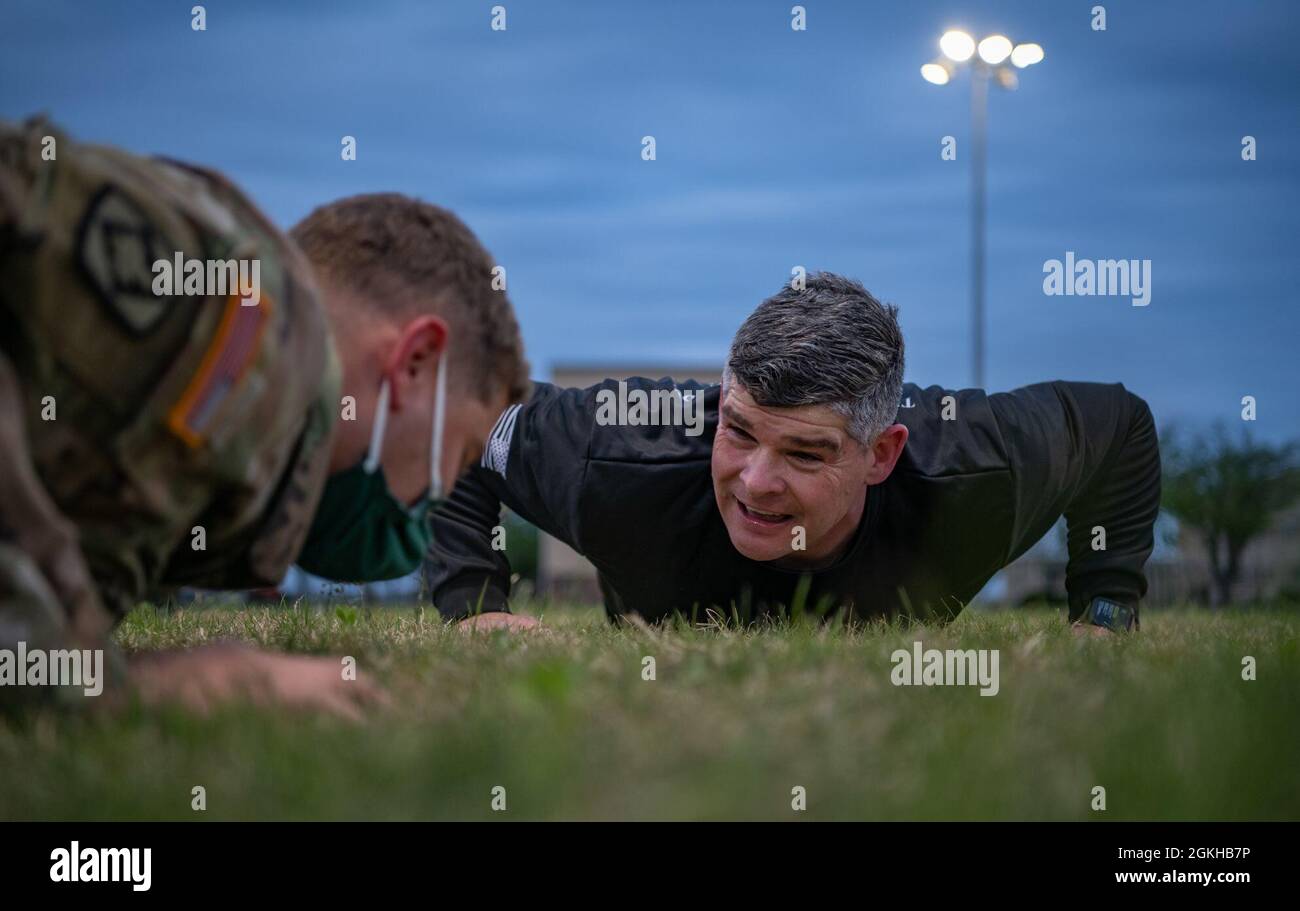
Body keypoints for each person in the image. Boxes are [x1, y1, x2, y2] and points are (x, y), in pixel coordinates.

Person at [0, 117, 530, 713]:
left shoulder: (238, 418)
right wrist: (172, 684)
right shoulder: (208, 315)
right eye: (456, 462)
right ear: (413, 362)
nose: (437, 501)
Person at [427, 273, 1160, 633]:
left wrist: (1106, 606)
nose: (756, 482)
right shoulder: (616, 457)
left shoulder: (977, 471)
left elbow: (1120, 425)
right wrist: (473, 603)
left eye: (806, 455)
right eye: (740, 431)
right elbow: (456, 405)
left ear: (881, 454)